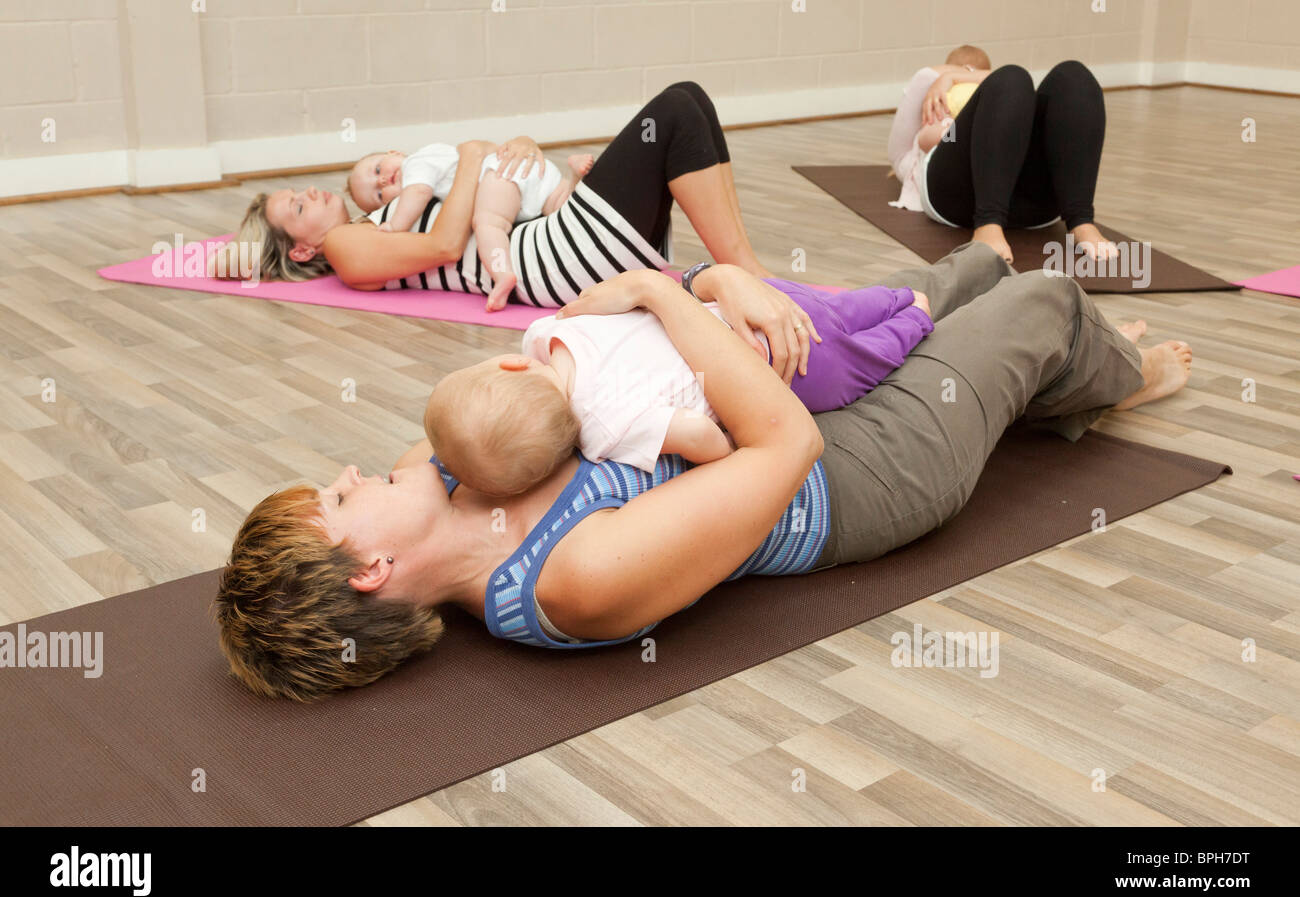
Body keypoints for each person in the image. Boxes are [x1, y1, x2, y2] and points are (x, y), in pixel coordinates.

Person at [213, 243, 1193, 701]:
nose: (348, 472)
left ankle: (1052, 371)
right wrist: (681, 285)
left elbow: (580, 350)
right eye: (338, 500)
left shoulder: (431, 466)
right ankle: (1108, 377)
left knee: (960, 277)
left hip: (735, 379)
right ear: (371, 571)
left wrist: (716, 297)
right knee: (1042, 299)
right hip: (852, 472)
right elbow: (782, 448)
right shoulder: (571, 583)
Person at [210, 82, 777, 312]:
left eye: (301, 191)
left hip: (560, 238)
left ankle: (749, 272)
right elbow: (444, 243)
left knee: (689, 102)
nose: (310, 193)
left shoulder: (389, 208)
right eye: (298, 207)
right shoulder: (347, 248)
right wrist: (476, 156)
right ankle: (751, 276)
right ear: (304, 250)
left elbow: (507, 195)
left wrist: (519, 147)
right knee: (674, 112)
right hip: (553, 262)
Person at [423, 267, 933, 494]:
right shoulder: (551, 331)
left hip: (786, 366)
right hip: (752, 301)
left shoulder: (604, 430)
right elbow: (613, 298)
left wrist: (728, 448)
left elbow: (696, 437)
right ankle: (901, 297)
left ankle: (917, 320)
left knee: (867, 359)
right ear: (512, 366)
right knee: (846, 306)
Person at [887, 46, 1115, 265]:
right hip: (959, 199)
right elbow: (927, 138)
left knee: (1073, 75)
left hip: (1035, 201)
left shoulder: (1006, 100)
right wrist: (955, 102)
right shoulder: (939, 105)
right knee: (1012, 77)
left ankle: (1081, 220)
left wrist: (956, 77)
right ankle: (988, 223)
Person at [344, 145, 595, 310]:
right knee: (560, 204)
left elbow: (417, 193)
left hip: (498, 176)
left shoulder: (416, 166)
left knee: (489, 224)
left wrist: (396, 224)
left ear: (395, 153)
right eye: (379, 193)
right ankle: (573, 179)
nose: (383, 180)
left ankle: (501, 273)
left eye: (377, 169)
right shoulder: (441, 152)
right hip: (528, 172)